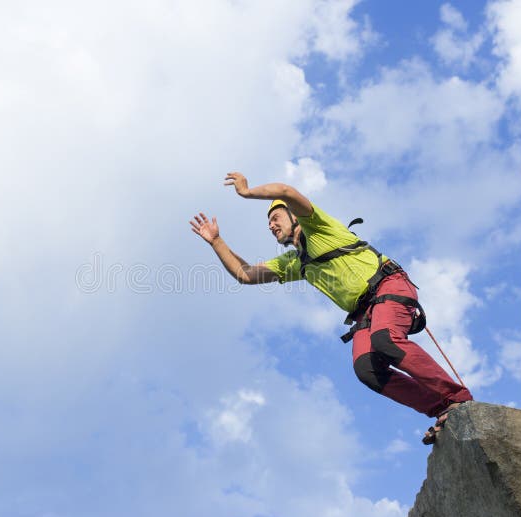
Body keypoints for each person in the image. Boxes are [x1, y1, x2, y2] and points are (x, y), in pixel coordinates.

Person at [190, 172, 473, 444]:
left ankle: (457, 398)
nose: (271, 226)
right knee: (367, 369)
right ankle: (440, 407)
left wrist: (247, 192)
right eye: (269, 222)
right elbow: (246, 274)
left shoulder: (319, 228)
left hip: (388, 286)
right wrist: (216, 241)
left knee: (385, 340)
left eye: (275, 218)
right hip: (365, 312)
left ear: (292, 215)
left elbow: (286, 191)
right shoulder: (294, 261)